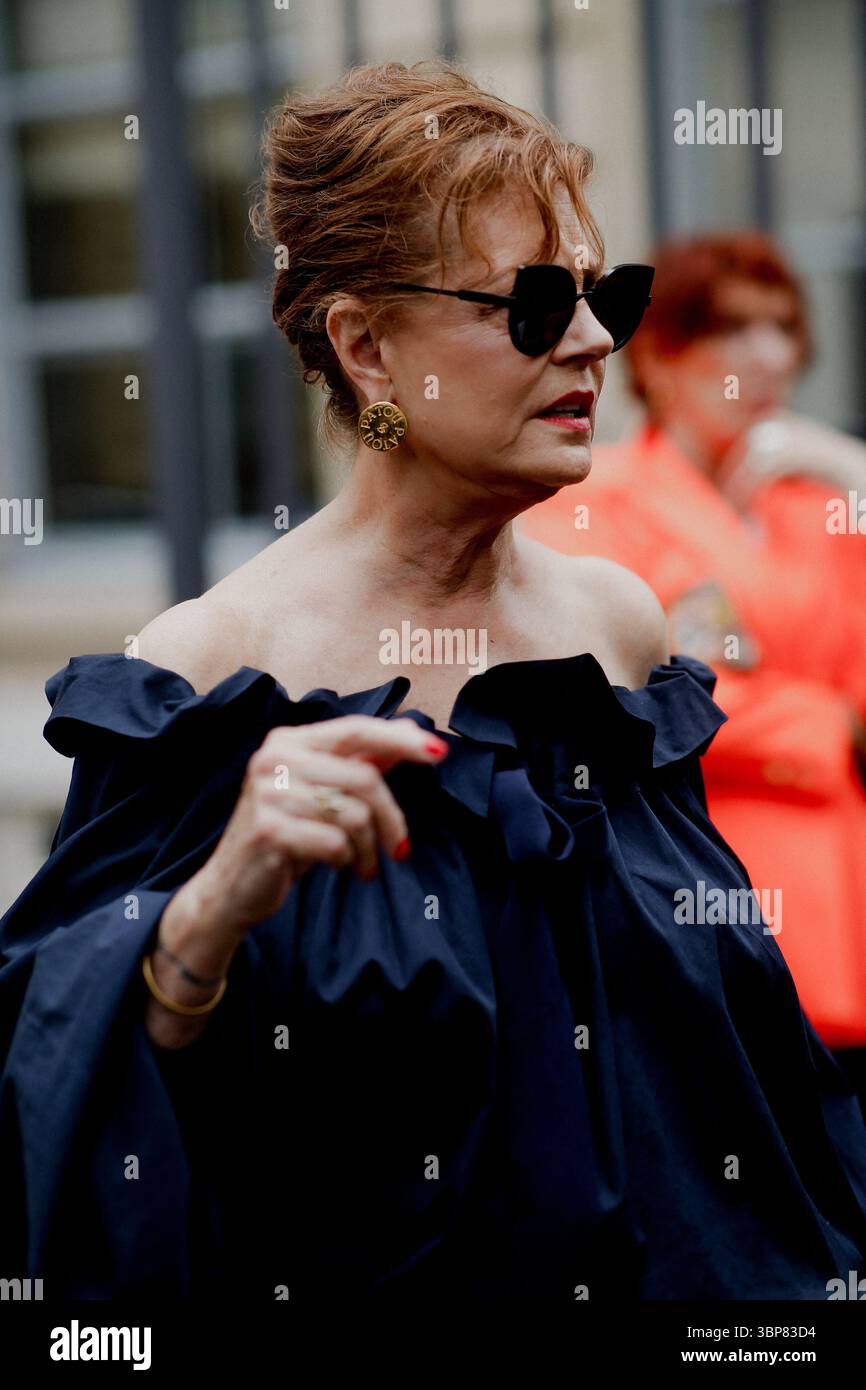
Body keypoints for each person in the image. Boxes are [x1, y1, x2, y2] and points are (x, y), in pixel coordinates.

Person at [2, 62, 866, 1303]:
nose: (590, 340)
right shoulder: (205, 669)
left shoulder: (616, 632)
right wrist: (206, 914)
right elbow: (56, 1099)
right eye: (528, 303)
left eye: (600, 294)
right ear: (363, 346)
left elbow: (726, 1080)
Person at [520, 230, 866, 1104]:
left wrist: (855, 470)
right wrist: (832, 725)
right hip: (722, 899)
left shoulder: (818, 504)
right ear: (664, 355)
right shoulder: (596, 504)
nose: (770, 356)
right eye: (735, 329)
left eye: (784, 329)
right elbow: (637, 695)